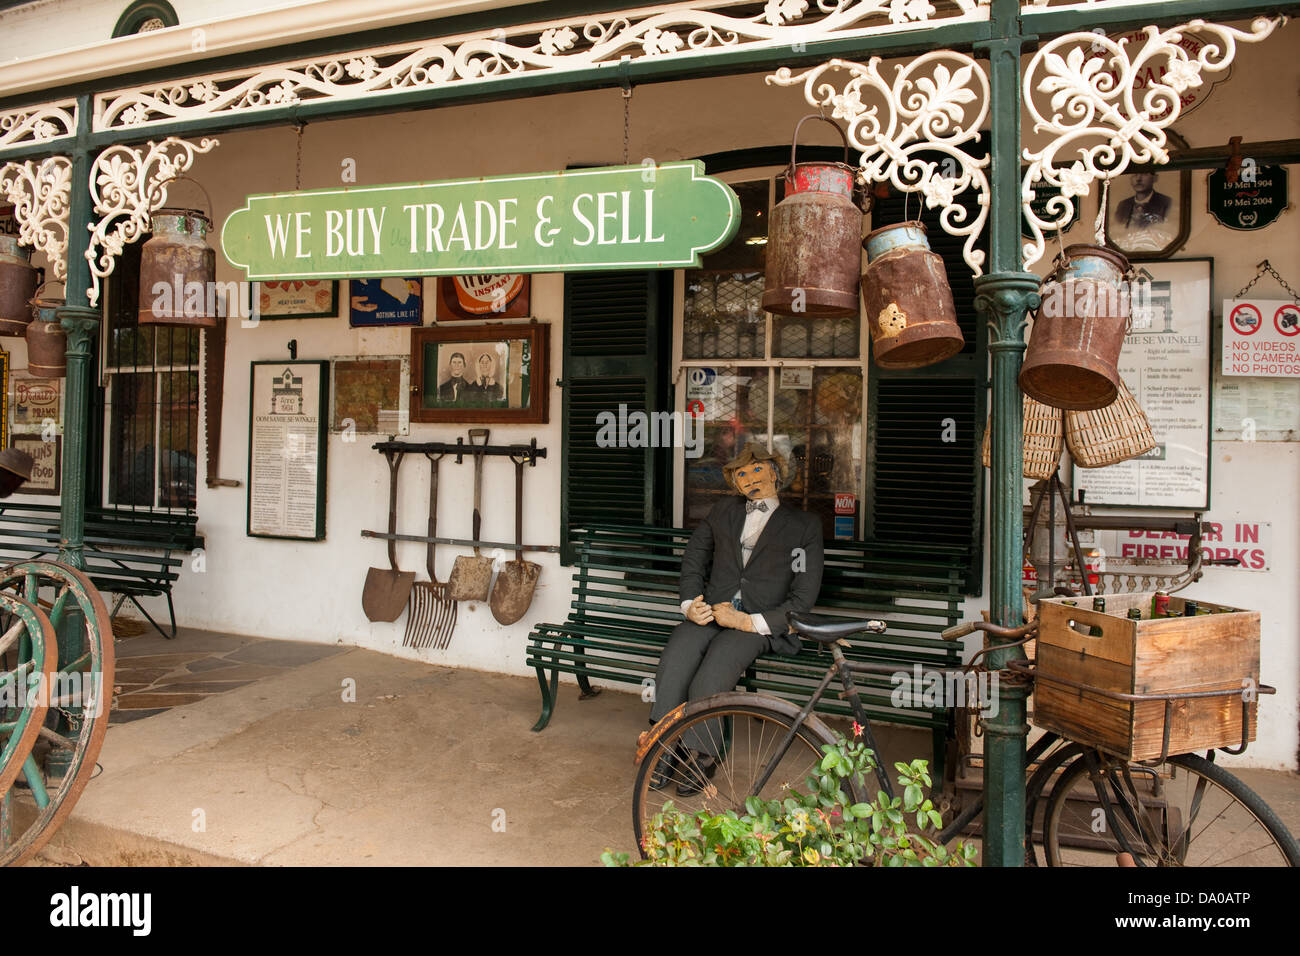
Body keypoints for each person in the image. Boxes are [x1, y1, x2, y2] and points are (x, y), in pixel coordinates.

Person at [646, 442, 824, 795]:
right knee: (676, 659)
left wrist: (746, 622)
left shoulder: (804, 525)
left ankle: (702, 752)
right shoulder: (724, 511)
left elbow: (803, 600)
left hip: (757, 623)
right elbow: (695, 556)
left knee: (714, 672)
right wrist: (689, 603)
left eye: (757, 469)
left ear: (775, 473)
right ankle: (665, 744)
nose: (750, 479)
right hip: (711, 611)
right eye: (741, 474)